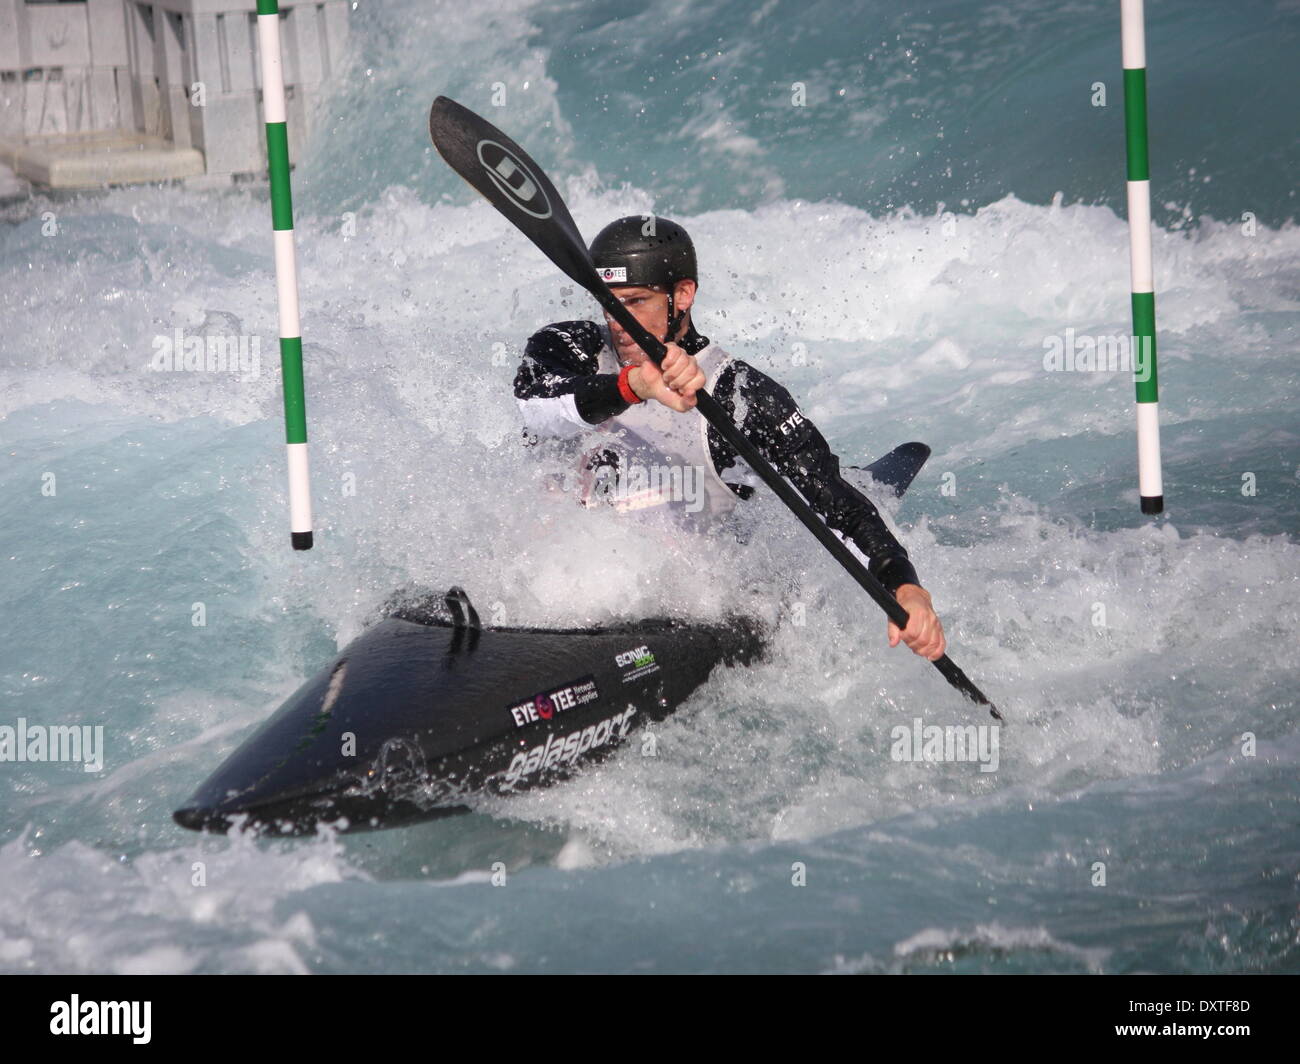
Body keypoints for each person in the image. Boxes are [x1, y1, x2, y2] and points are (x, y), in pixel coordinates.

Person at [513, 215, 946, 661]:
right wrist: (635, 385)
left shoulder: (738, 395)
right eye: (608, 303)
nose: (618, 323)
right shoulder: (568, 347)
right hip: (550, 590)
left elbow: (836, 506)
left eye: (636, 302)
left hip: (671, 612)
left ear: (682, 296)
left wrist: (906, 589)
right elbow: (537, 408)